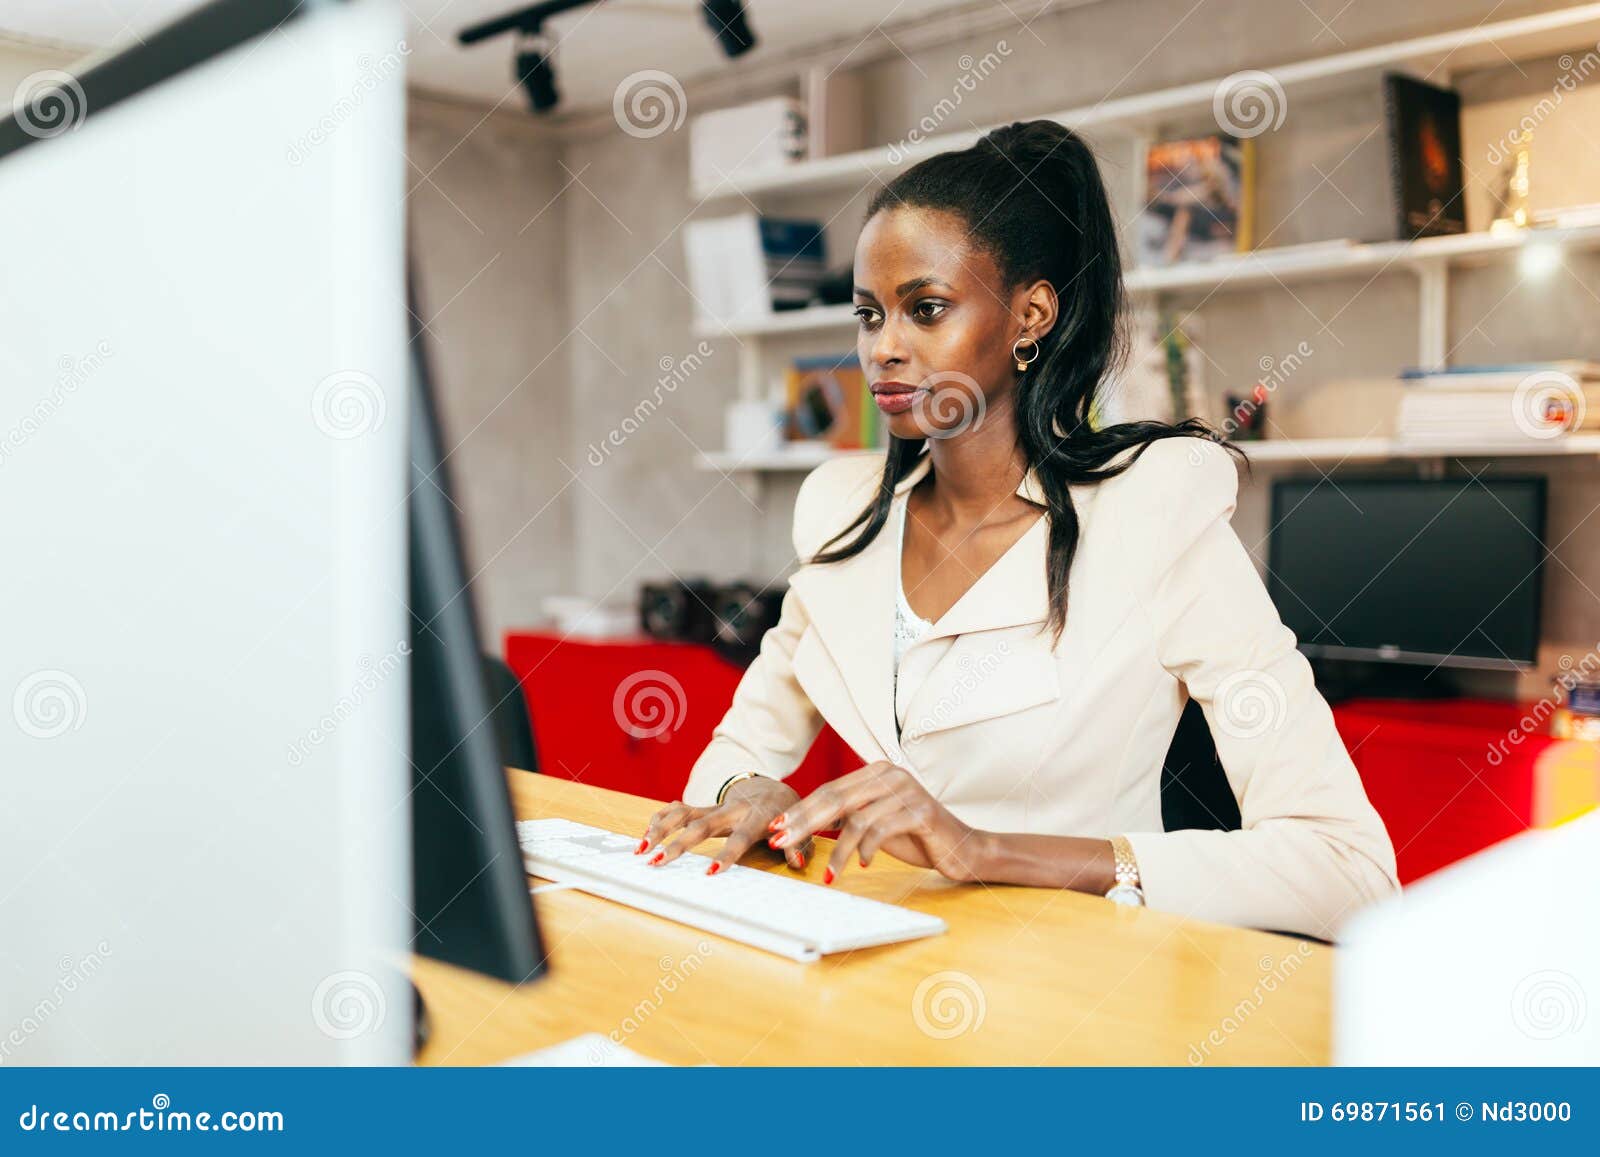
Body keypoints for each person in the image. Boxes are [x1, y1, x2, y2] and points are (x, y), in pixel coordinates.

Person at [639, 118, 1399, 940]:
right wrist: (747, 792)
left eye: (925, 309)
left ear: (1031, 314)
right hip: (885, 962)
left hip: (1075, 997)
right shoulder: (845, 514)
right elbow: (734, 751)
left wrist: (984, 848)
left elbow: (1347, 868)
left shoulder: (1154, 515)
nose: (883, 349)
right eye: (869, 315)